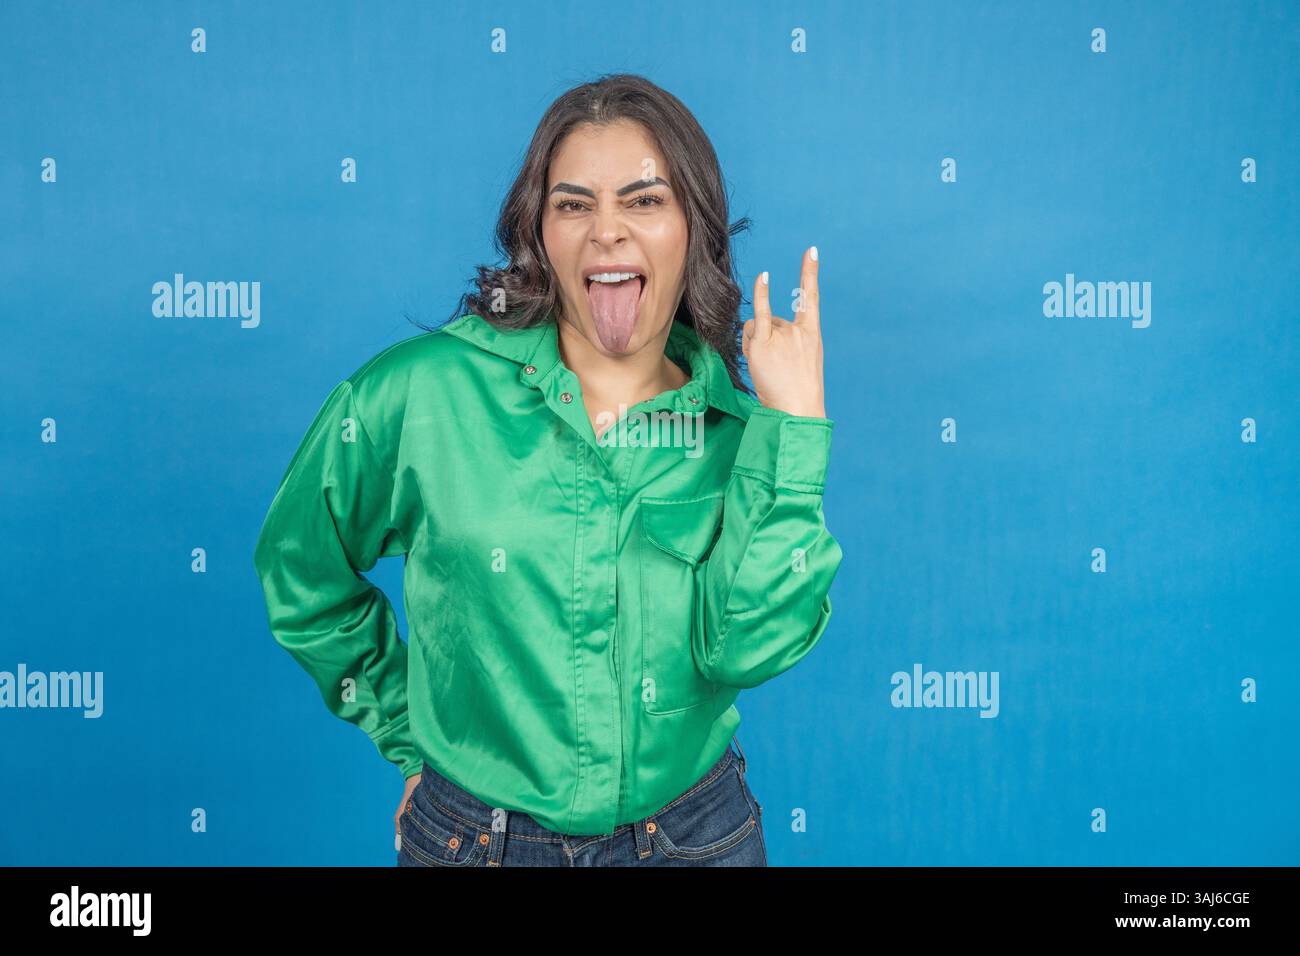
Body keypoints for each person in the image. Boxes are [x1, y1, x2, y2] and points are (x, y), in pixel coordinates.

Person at [252, 73, 842, 866]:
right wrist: (410, 735)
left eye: (643, 200)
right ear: (538, 233)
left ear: (691, 228)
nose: (608, 232)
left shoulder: (740, 433)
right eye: (574, 204)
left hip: (697, 839)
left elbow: (745, 650)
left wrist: (796, 429)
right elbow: (303, 572)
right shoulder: (420, 393)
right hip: (473, 843)